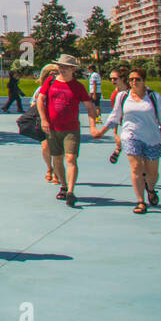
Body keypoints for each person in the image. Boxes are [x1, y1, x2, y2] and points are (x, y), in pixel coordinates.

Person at [100, 67, 161, 214]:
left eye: (137, 79)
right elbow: (115, 116)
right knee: (136, 168)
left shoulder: (153, 96)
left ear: (144, 81)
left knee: (152, 174)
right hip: (131, 136)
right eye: (131, 79)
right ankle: (140, 201)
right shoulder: (123, 96)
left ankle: (150, 189)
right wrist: (101, 131)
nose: (134, 82)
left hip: (152, 138)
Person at [36, 54, 102, 208]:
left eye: (66, 67)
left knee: (71, 158)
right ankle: (64, 186)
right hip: (52, 128)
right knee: (57, 159)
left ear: (73, 69)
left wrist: (93, 125)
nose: (62, 69)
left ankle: (71, 191)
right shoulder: (50, 82)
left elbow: (89, 106)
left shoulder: (78, 87)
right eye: (60, 66)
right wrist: (44, 119)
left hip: (71, 129)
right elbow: (40, 99)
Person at [30, 64, 61, 186]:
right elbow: (33, 104)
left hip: (59, 122)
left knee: (59, 149)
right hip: (45, 122)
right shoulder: (40, 89)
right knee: (45, 147)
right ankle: (49, 167)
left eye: (56, 74)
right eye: (51, 74)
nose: (53, 76)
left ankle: (57, 172)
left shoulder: (61, 88)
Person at [107, 67, 130, 164]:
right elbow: (115, 114)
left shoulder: (133, 90)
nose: (112, 81)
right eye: (111, 79)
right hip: (124, 123)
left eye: (115, 79)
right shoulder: (114, 95)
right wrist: (115, 134)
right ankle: (118, 148)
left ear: (123, 78)